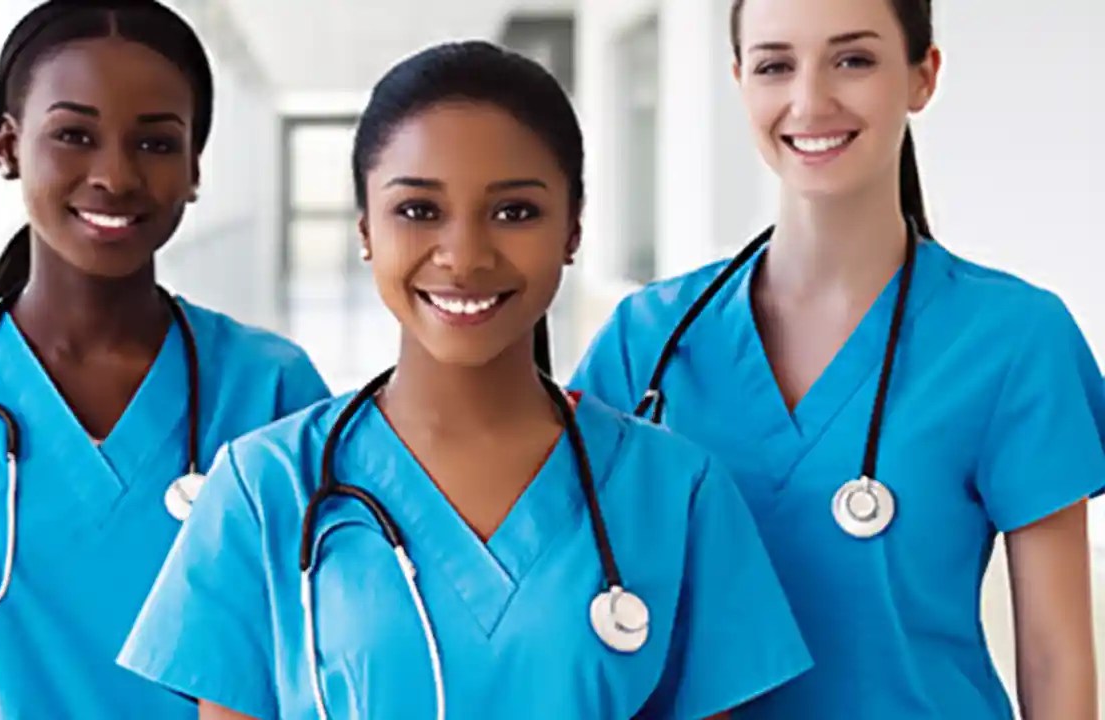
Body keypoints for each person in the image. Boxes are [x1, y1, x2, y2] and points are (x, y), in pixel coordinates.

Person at [117, 41, 812, 720]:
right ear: (366, 229)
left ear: (573, 229)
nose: (465, 255)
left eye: (514, 212)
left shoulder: (677, 491)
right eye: (418, 211)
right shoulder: (264, 486)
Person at [572, 0, 1103, 717]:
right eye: (774, 66)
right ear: (740, 81)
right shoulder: (648, 340)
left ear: (923, 76)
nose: (809, 99)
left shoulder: (1012, 339)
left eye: (853, 59)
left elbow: (1056, 656)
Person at [0, 2, 330, 718]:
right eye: (73, 135)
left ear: (194, 168)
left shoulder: (270, 388)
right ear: (8, 146)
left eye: (155, 144)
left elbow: (311, 667)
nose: (115, 175)